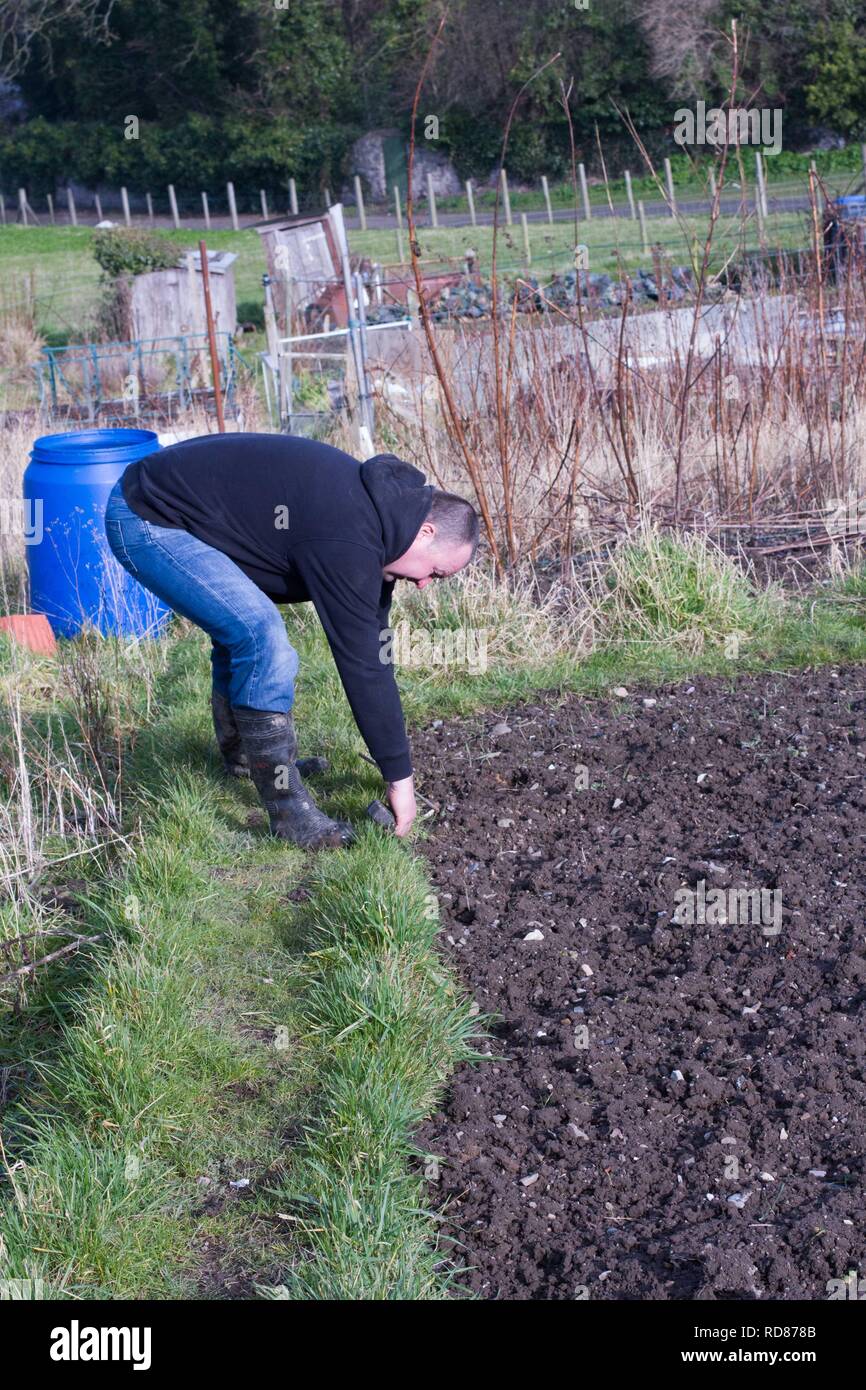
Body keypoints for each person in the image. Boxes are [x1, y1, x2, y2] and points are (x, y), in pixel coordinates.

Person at [104, 433, 479, 849]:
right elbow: (362, 667)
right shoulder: (350, 537)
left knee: (242, 630)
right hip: (148, 517)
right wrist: (400, 780)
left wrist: (396, 768)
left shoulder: (383, 523)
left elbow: (374, 650)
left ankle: (248, 760)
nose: (426, 584)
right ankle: (288, 813)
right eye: (437, 572)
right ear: (424, 532)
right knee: (261, 637)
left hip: (180, 506)